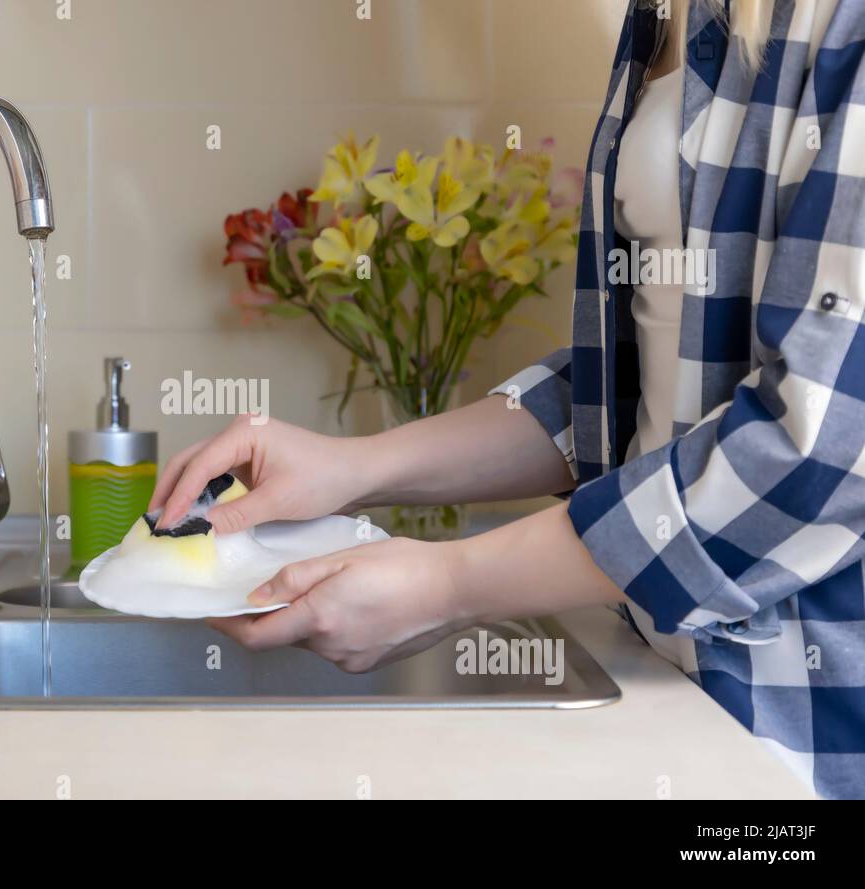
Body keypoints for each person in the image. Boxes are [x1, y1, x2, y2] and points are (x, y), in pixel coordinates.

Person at [151, 0, 864, 799]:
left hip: (806, 739)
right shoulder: (666, 19)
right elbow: (629, 393)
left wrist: (450, 583)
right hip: (680, 693)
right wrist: (352, 466)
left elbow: (821, 454)